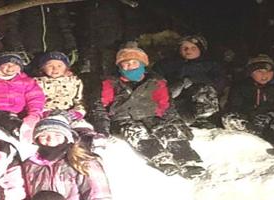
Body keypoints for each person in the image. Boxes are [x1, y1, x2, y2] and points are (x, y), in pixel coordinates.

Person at [88, 45, 205, 178]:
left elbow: (166, 105)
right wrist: (102, 128)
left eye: (134, 63)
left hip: (152, 116)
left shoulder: (156, 82)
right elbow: (99, 106)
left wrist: (176, 123)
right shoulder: (111, 83)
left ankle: (188, 159)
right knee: (136, 132)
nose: (130, 66)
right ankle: (160, 158)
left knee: (168, 130)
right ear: (119, 67)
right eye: (125, 64)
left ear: (143, 64)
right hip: (123, 119)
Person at [18, 115, 110, 200]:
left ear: (66, 137)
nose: (51, 140)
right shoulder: (29, 165)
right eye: (44, 135)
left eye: (57, 135)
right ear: (36, 139)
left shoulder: (82, 161)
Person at [0, 51, 47, 139]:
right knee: (3, 119)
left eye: (15, 65)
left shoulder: (27, 82)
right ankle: (16, 130)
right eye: (7, 64)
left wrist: (33, 114)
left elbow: (35, 98)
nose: (11, 67)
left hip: (20, 114)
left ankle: (27, 132)